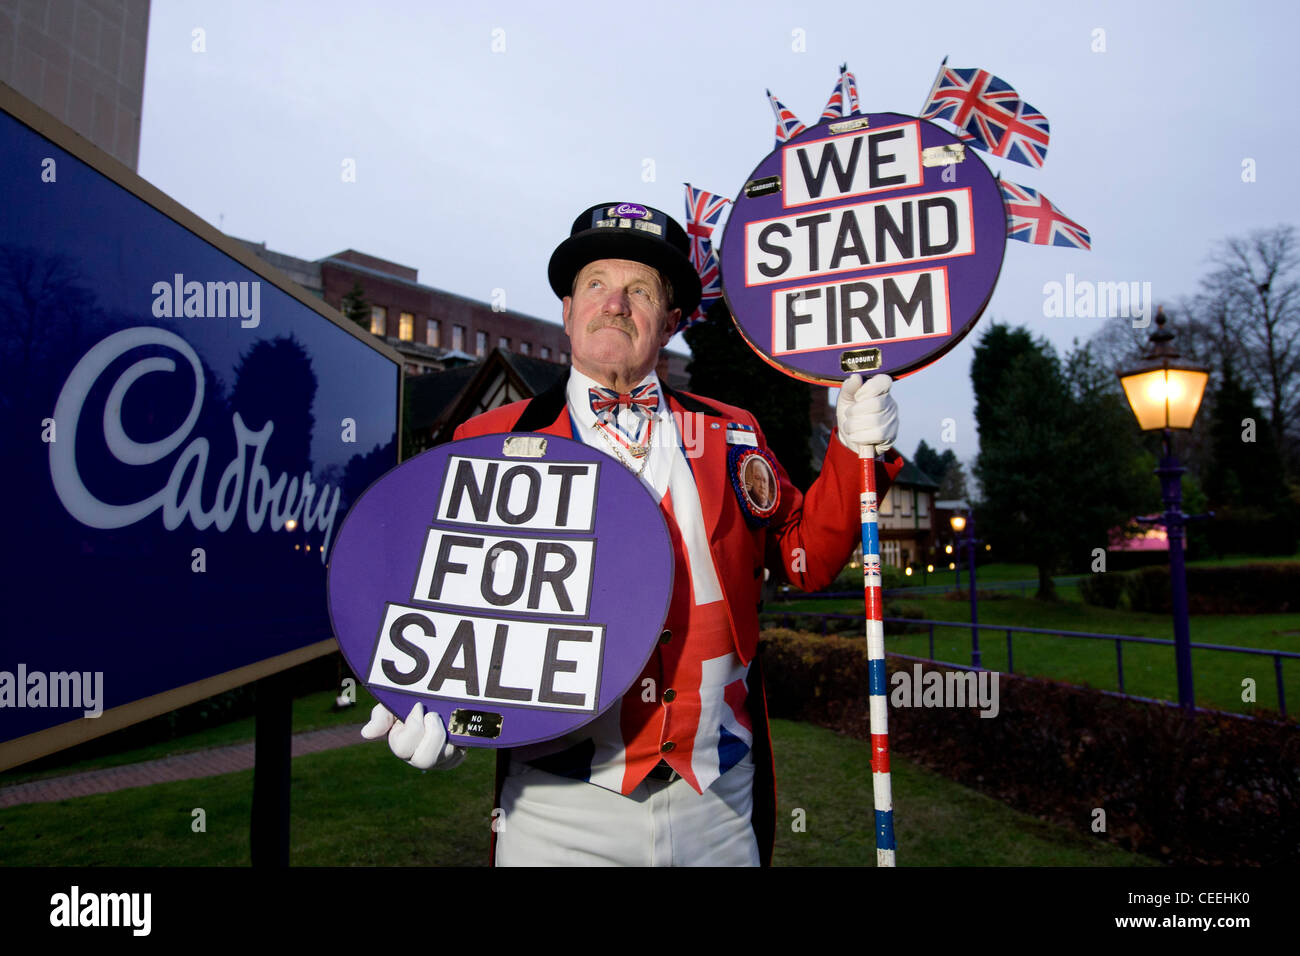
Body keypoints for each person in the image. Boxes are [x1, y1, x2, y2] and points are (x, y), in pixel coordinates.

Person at [362, 201, 904, 866]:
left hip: (720, 805)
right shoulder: (490, 441)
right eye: (596, 284)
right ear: (567, 310)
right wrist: (438, 709)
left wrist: (853, 450)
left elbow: (805, 557)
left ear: (670, 324)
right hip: (556, 815)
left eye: (640, 291)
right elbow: (437, 593)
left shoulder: (733, 432)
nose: (614, 304)